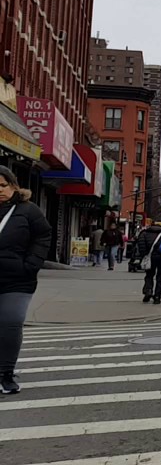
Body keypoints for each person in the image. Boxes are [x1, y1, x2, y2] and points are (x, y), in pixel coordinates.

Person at [0, 165, 52, 394]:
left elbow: (44, 235)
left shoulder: (28, 210)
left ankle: (5, 375)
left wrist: (31, 265)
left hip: (18, 280)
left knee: (10, 322)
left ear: (13, 185)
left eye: (2, 185)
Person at [135, 222, 161, 304]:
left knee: (149, 275)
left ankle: (148, 290)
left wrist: (144, 255)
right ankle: (157, 296)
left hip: (150, 257)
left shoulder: (144, 234)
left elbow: (141, 245)